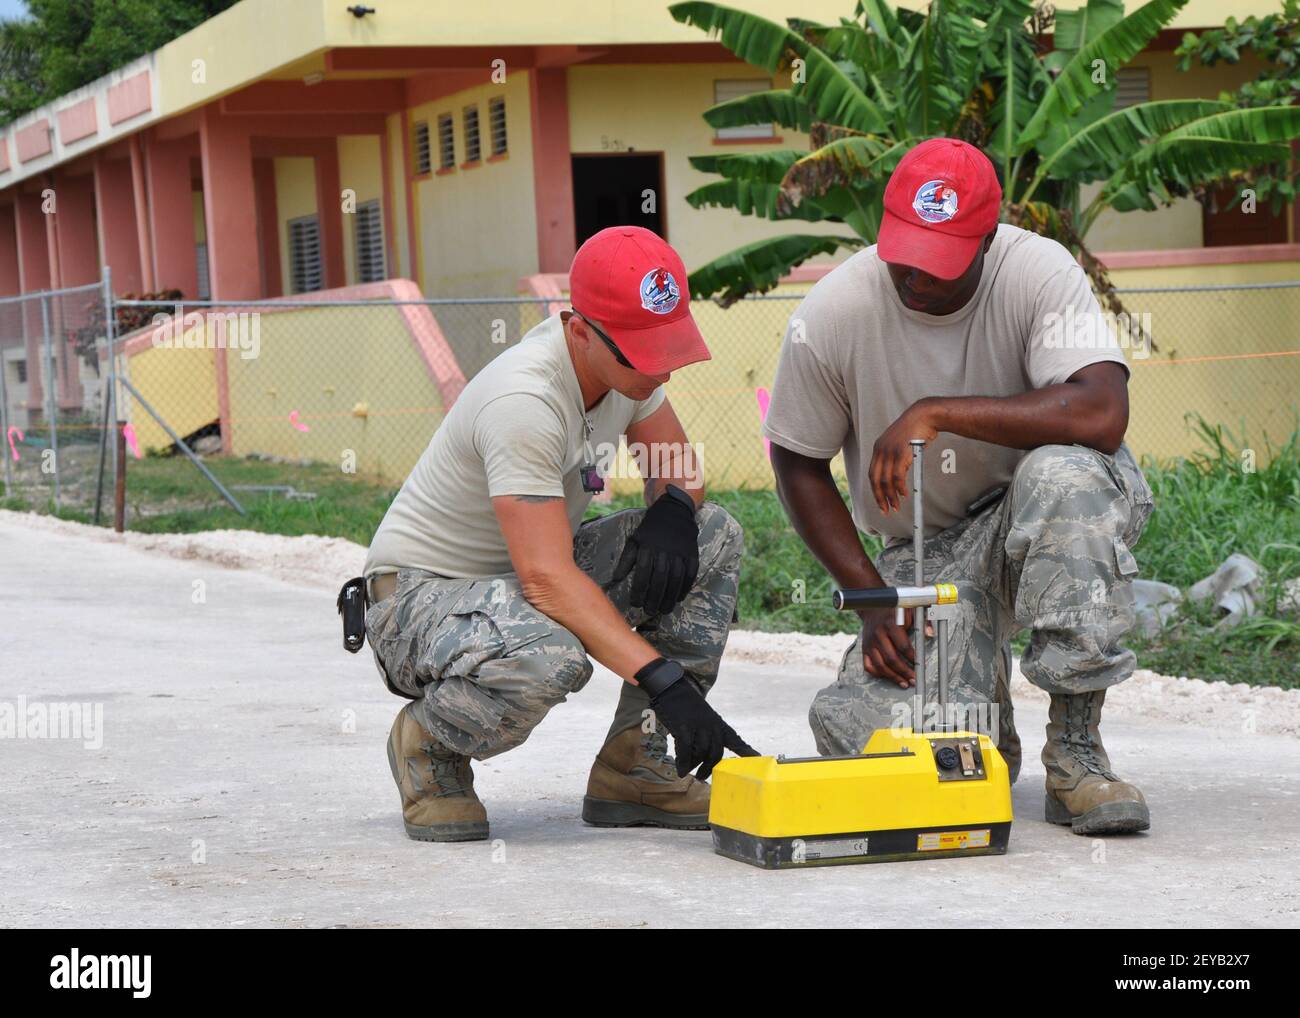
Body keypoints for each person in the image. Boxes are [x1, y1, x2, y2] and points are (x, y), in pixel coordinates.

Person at [763, 138, 1154, 836]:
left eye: (938, 259)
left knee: (1063, 472)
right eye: (903, 250)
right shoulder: (833, 312)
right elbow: (796, 459)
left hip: (1035, 517)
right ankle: (981, 729)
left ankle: (1076, 757)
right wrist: (872, 599)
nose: (915, 274)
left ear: (985, 239)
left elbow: (1100, 412)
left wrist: (938, 411)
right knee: (868, 733)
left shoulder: (1037, 271)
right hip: (932, 555)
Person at [363, 226, 755, 842]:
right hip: (417, 600)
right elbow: (547, 579)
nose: (659, 371)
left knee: (713, 535)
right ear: (578, 331)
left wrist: (674, 509)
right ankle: (428, 746)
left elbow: (678, 468)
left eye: (666, 348)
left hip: (519, 580)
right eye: (640, 353)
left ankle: (638, 767)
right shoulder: (524, 400)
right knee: (550, 657)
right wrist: (664, 679)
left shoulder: (627, 371)